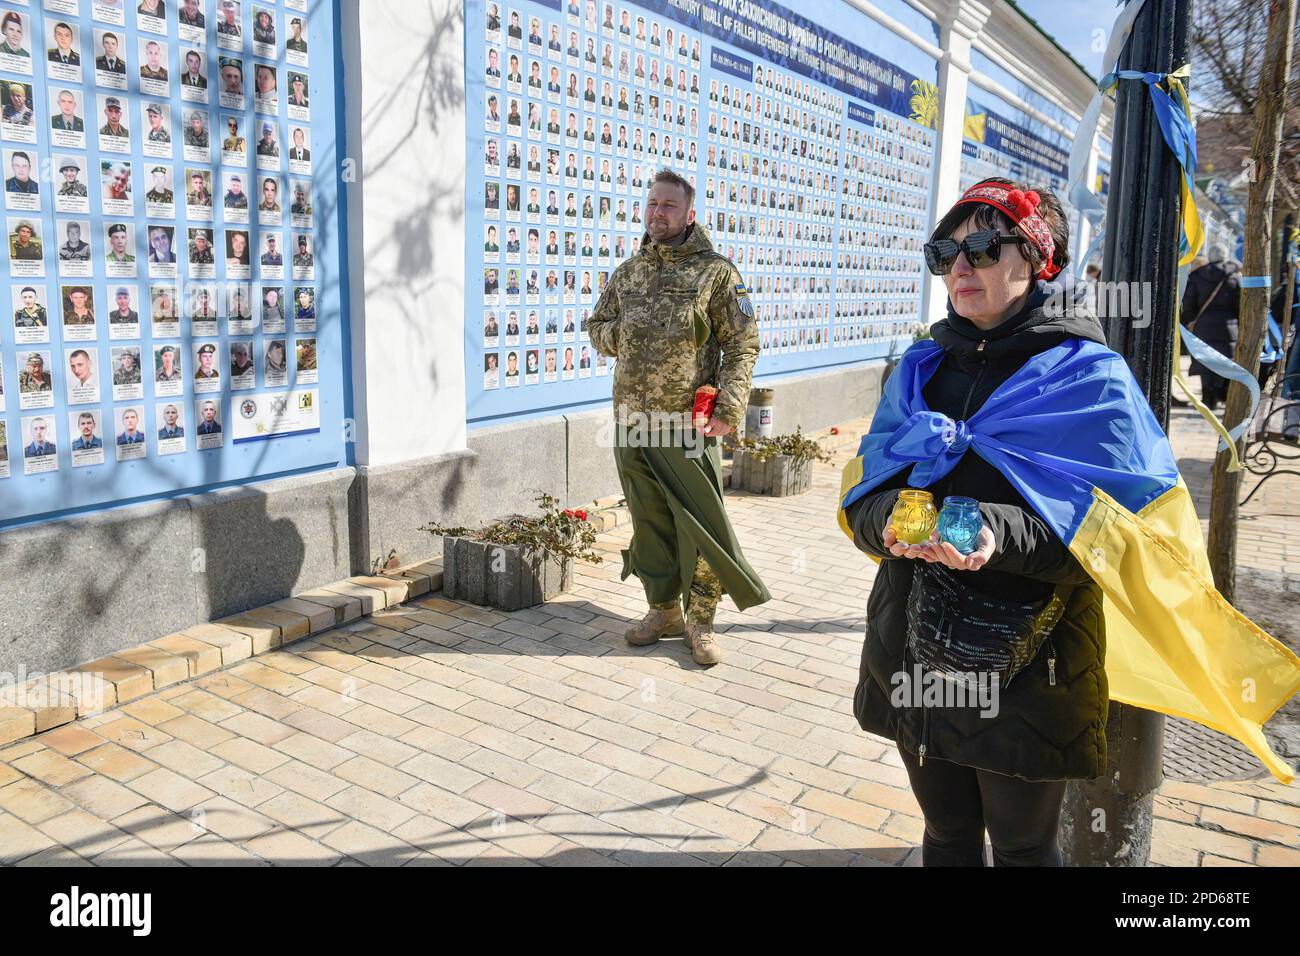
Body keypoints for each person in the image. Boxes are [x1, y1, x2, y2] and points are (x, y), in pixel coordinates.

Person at [587, 168, 769, 665]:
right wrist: (619, 335)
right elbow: (597, 325)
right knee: (649, 521)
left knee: (700, 524)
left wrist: (730, 408)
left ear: (690, 215)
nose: (657, 213)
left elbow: (743, 343)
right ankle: (662, 608)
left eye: (668, 206)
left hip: (688, 426)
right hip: (631, 423)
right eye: (651, 204)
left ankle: (702, 621)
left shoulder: (716, 274)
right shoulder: (629, 272)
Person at [1180, 244, 1242, 410]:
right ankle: (1220, 393)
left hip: (1203, 326)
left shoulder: (1197, 276)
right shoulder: (1234, 277)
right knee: (1223, 361)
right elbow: (1239, 305)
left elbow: (1188, 302)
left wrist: (1190, 320)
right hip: (1228, 327)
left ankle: (1207, 397)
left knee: (1205, 361)